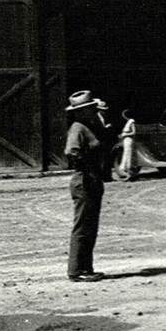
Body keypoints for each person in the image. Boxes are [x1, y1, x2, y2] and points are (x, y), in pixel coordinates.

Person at [64, 90, 112, 282]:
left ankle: (86, 268)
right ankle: (76, 270)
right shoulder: (78, 128)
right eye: (88, 109)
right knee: (82, 226)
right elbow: (71, 151)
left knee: (90, 226)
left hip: (92, 180)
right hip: (84, 180)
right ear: (79, 112)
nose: (92, 111)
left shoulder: (90, 126)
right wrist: (87, 168)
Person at [115, 109, 140, 182]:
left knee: (130, 156)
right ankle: (128, 174)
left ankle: (131, 174)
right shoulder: (128, 122)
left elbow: (134, 132)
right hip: (126, 140)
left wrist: (125, 134)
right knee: (126, 155)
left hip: (129, 140)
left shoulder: (132, 122)